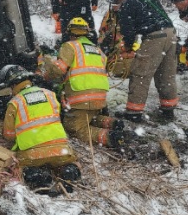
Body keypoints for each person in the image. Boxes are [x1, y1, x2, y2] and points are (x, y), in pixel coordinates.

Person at [41, 17, 127, 150]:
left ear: (69, 32)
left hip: (80, 97)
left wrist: (44, 76)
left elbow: (58, 70)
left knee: (75, 128)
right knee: (91, 118)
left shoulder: (70, 46)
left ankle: (109, 137)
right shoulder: (98, 50)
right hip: (100, 98)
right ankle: (111, 123)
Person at [0, 65, 82, 192]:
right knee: (67, 162)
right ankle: (68, 172)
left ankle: (38, 177)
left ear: (13, 85)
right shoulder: (51, 95)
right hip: (60, 149)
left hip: (32, 155)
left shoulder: (15, 103)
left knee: (21, 167)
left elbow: (9, 135)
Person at [111, 0, 179, 122]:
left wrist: (128, 48)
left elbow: (128, 30)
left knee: (141, 73)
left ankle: (133, 113)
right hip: (171, 34)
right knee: (166, 73)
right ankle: (168, 109)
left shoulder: (128, 4)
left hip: (155, 37)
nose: (118, 1)